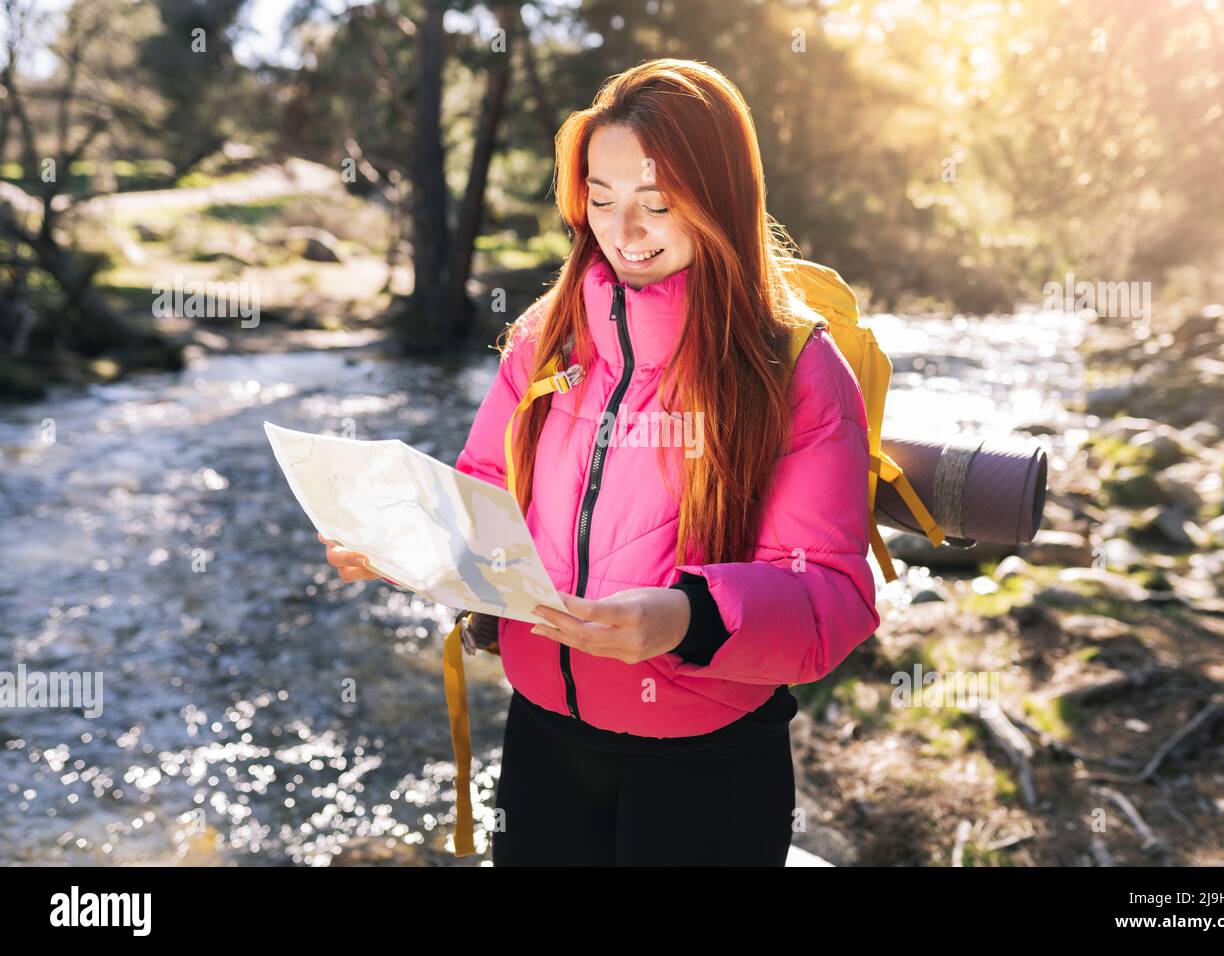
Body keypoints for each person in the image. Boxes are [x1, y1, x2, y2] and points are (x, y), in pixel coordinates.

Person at [321, 58, 880, 866]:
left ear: (719, 201)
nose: (624, 232)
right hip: (542, 735)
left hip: (708, 766)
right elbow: (485, 488)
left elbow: (833, 596)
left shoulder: (793, 368)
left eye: (656, 203)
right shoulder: (546, 334)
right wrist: (404, 542)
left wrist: (685, 618)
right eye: (602, 199)